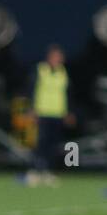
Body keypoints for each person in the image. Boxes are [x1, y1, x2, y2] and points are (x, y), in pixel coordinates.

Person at [28, 44, 72, 185]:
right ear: (49, 57)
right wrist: (32, 109)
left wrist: (68, 112)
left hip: (57, 114)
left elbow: (67, 94)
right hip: (42, 112)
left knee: (54, 145)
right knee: (41, 143)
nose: (58, 59)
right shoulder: (40, 70)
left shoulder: (63, 72)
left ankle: (48, 171)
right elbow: (31, 90)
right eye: (55, 56)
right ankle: (36, 171)